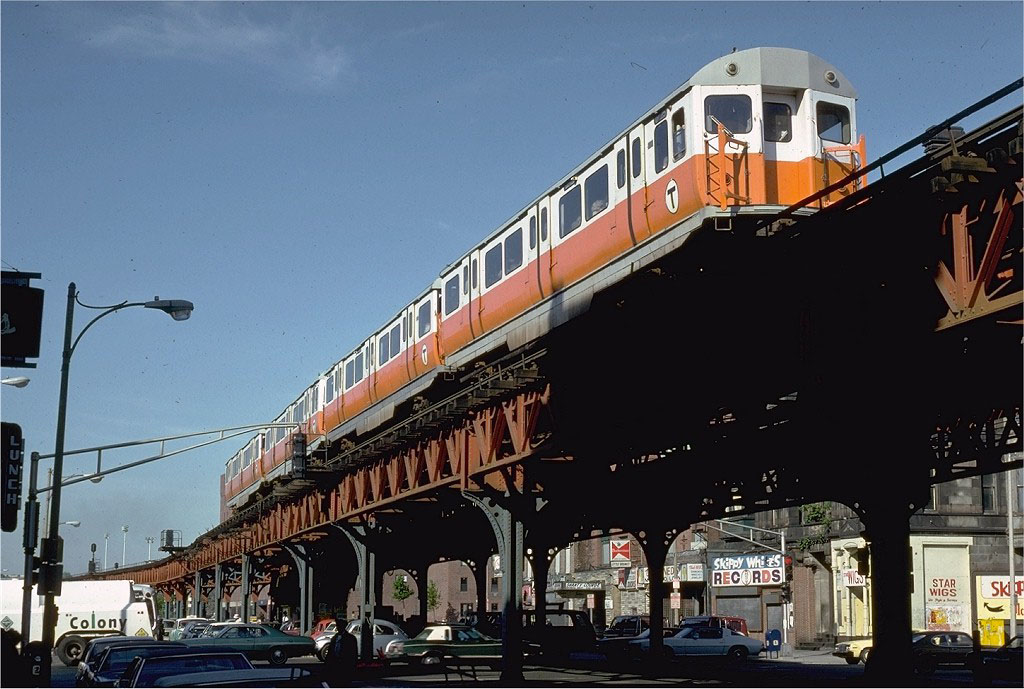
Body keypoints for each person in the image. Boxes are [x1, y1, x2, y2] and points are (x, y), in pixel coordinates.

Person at [325, 614, 358, 686]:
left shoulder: (350, 638)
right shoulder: (335, 637)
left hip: (345, 666)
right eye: (337, 625)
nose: (337, 627)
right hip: (335, 666)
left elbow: (353, 654)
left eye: (339, 625)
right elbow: (331, 652)